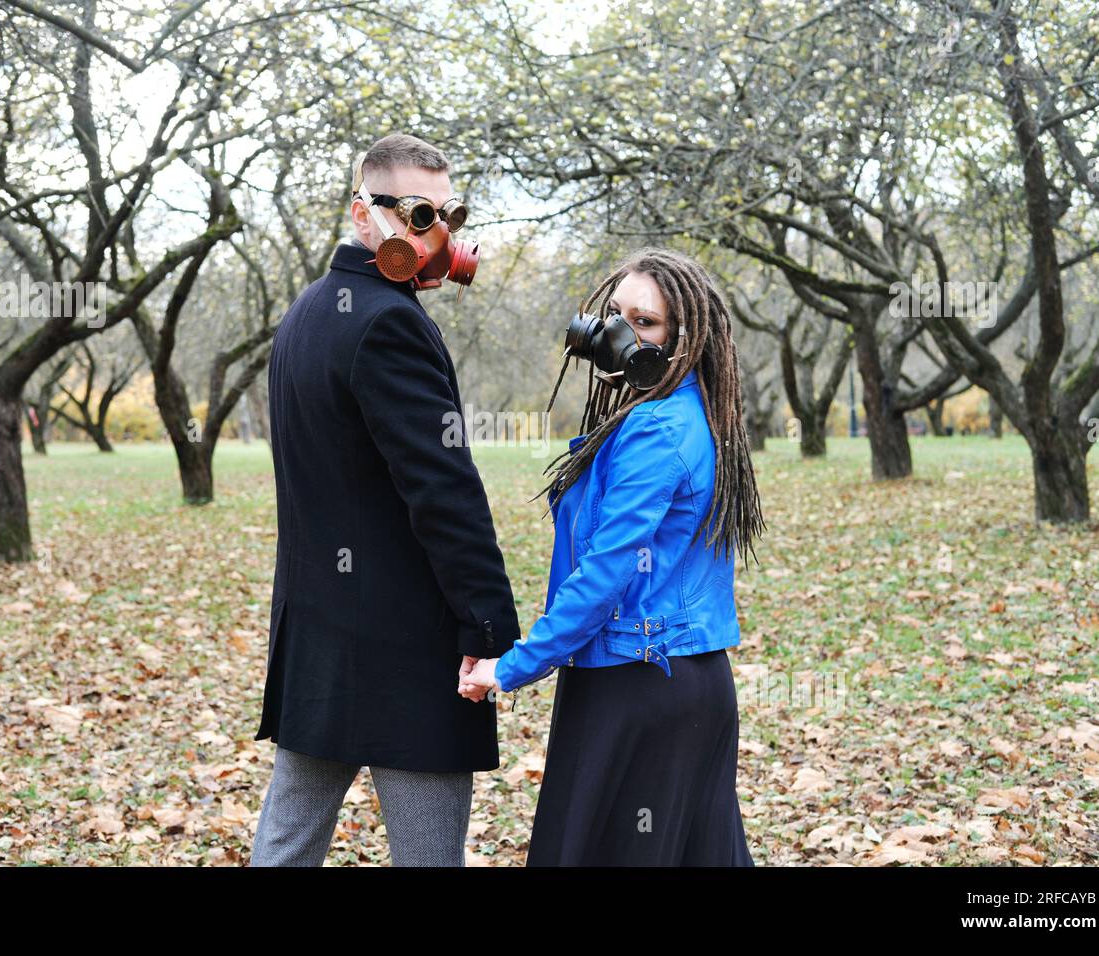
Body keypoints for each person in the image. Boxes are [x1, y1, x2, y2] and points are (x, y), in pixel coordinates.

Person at [250, 133, 520, 867]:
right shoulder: (391, 322)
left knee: (285, 848)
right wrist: (488, 625)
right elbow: (444, 492)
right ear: (362, 215)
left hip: (318, 638)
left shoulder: (308, 312)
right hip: (406, 647)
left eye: (444, 216)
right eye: (414, 214)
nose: (432, 236)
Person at [459, 248, 765, 866]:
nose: (623, 335)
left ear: (686, 337)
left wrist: (513, 667)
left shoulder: (658, 428)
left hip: (636, 685)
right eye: (617, 316)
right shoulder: (688, 412)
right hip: (682, 680)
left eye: (646, 323)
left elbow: (605, 573)